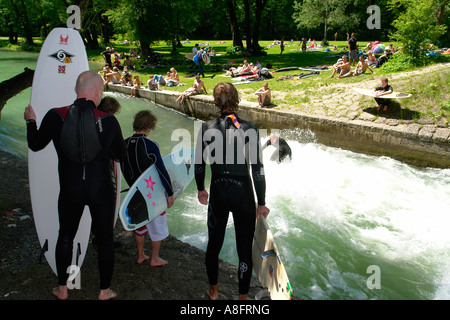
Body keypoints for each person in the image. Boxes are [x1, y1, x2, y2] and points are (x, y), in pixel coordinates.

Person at [24, 71, 127, 300]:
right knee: (105, 240)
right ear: (98, 92)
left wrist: (31, 121)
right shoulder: (107, 120)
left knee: (66, 237)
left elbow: (35, 144)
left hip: (70, 189)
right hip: (101, 190)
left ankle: (62, 289)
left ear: (76, 90)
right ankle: (104, 291)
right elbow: (120, 155)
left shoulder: (55, 116)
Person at [194, 82, 270, 300]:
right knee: (244, 248)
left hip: (218, 190)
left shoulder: (206, 128)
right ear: (236, 99)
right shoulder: (249, 128)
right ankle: (242, 298)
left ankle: (214, 291)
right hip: (242, 192)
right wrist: (261, 201)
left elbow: (199, 164)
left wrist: (200, 188)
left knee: (214, 244)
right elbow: (257, 169)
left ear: (216, 102)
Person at [122, 110, 174, 267]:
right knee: (156, 226)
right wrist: (170, 192)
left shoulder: (124, 143)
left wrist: (133, 186)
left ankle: (141, 255)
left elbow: (124, 169)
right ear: (150, 126)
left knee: (139, 224)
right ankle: (155, 258)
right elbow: (161, 170)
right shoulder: (150, 145)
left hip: (134, 192)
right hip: (152, 194)